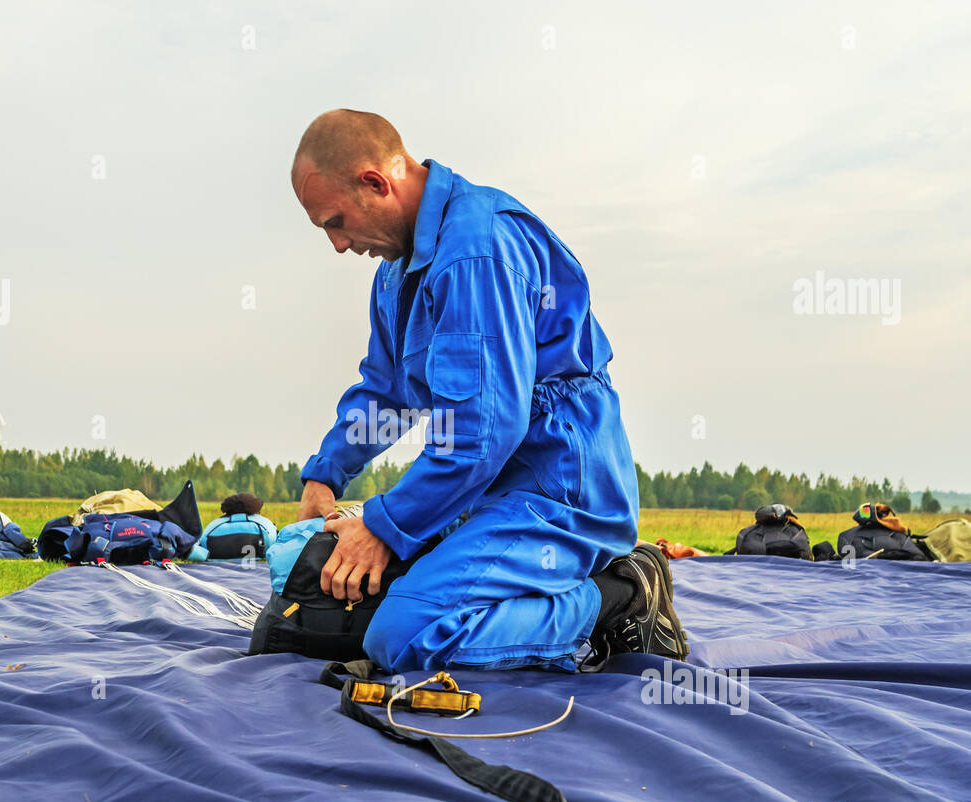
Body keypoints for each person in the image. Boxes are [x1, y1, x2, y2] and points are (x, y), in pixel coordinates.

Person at [290, 109, 688, 673]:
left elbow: (481, 435)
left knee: (403, 636)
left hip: (558, 491)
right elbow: (387, 392)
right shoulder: (397, 271)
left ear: (376, 183)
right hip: (487, 493)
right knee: (358, 602)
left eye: (335, 221)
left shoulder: (477, 251)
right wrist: (324, 474)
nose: (336, 244)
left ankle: (621, 595)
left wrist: (383, 525)